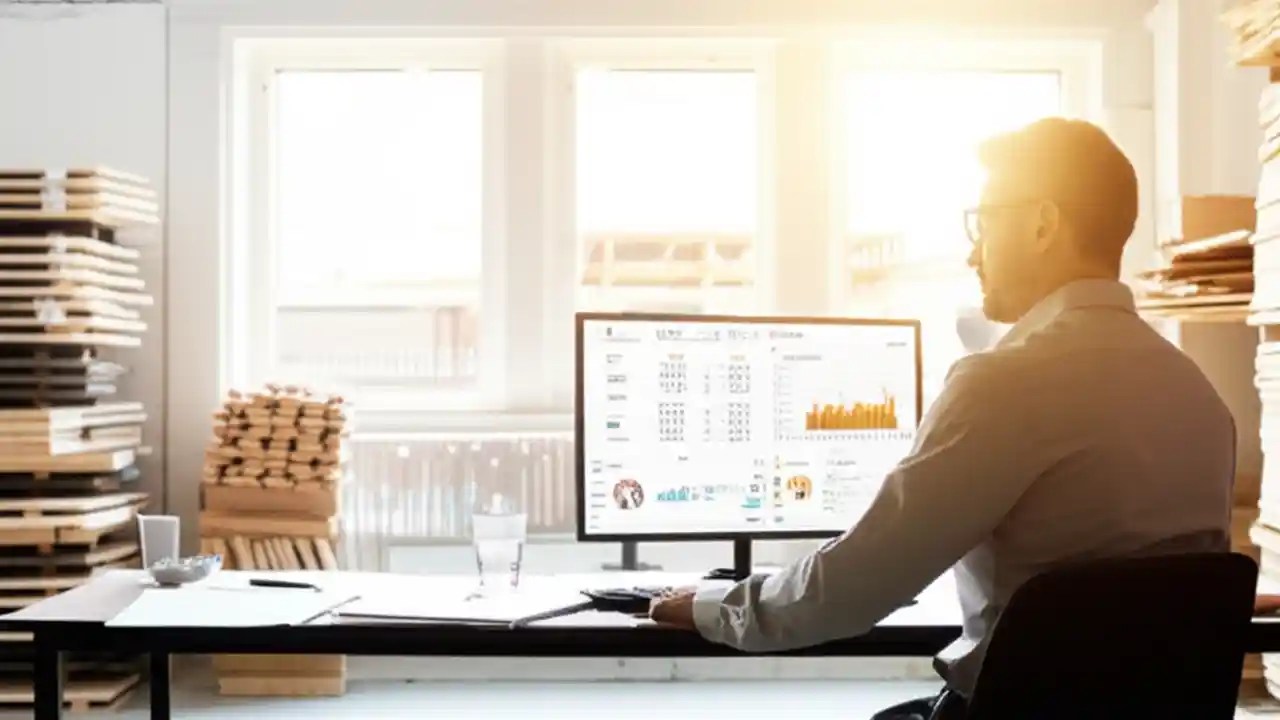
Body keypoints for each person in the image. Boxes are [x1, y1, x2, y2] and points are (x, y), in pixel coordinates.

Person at [649, 118, 1236, 719]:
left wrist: (715, 605)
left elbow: (852, 588)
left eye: (984, 222)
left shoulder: (1004, 384)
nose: (972, 252)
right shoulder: (1201, 397)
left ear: (1042, 224)